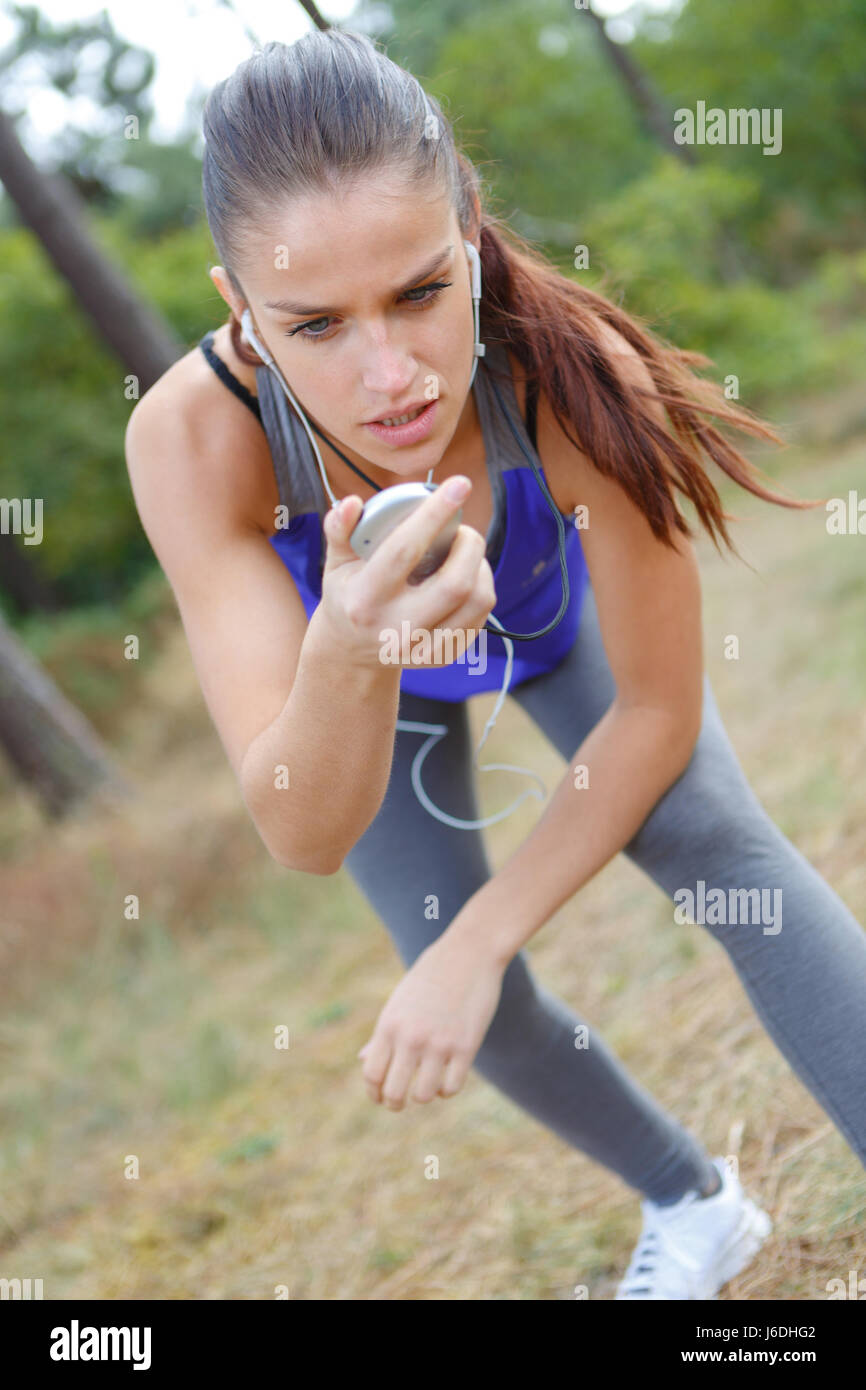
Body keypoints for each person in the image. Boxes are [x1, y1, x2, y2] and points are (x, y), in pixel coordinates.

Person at [124, 29, 866, 1300]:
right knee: (436, 945)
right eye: (313, 324)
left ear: (467, 233)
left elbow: (655, 710)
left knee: (705, 829)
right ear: (238, 314)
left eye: (419, 291)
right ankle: (698, 1210)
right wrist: (352, 653)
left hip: (540, 607)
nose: (391, 376)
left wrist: (485, 933)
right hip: (357, 673)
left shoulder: (570, 376)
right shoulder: (195, 440)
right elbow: (299, 828)